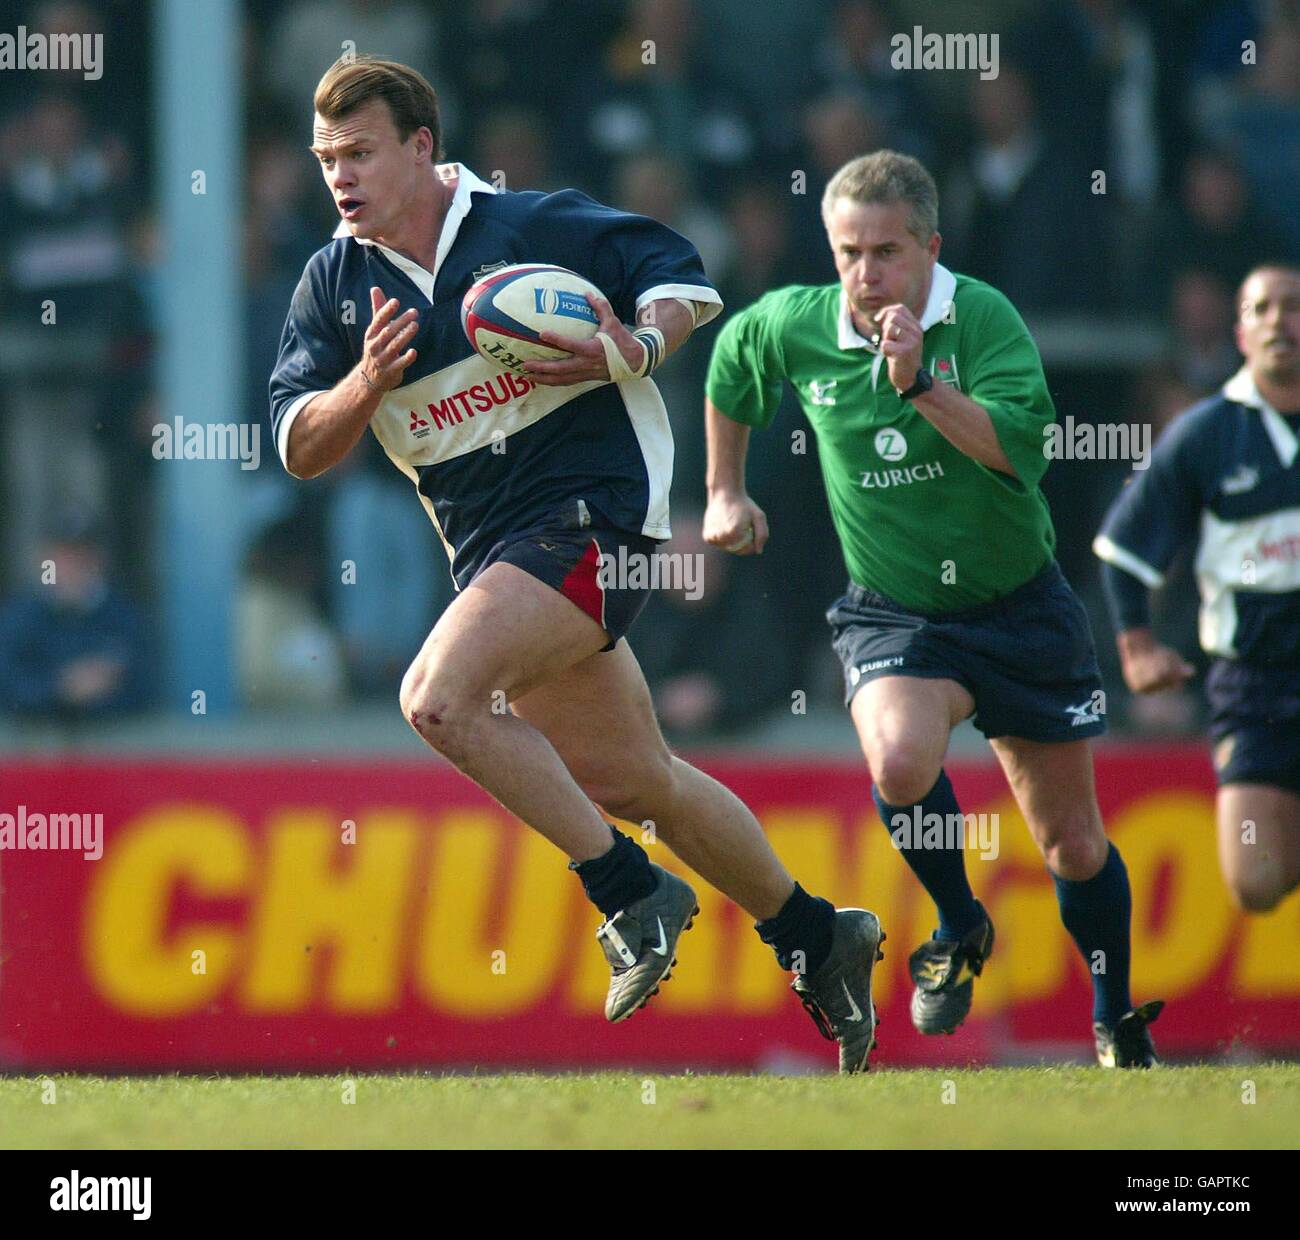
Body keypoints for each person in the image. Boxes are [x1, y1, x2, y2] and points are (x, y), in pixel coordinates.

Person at [269, 56, 884, 1072]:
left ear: (422, 147)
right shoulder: (334, 284)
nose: (340, 175)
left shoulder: (530, 225)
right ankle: (818, 935)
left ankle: (628, 894)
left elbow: (683, 279)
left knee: (436, 697)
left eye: (361, 152)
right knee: (641, 783)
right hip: (498, 560)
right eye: (327, 157)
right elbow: (299, 446)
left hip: (601, 522)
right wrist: (364, 384)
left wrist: (633, 347)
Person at [703, 149, 1163, 1068]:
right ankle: (959, 926)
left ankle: (1114, 1018)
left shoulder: (982, 318)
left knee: (1072, 843)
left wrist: (918, 382)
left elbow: (1019, 454)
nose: (866, 274)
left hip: (1019, 608)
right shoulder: (801, 324)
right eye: (848, 252)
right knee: (903, 758)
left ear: (930, 249)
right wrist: (723, 489)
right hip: (897, 614)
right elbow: (730, 362)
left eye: (886, 251)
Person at [1095, 263, 1300, 916]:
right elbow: (1122, 551)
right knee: (1256, 881)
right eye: (1261, 309)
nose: (1278, 322)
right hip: (1255, 685)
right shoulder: (1207, 434)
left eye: (1292, 306)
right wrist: (1137, 648)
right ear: (1240, 333)